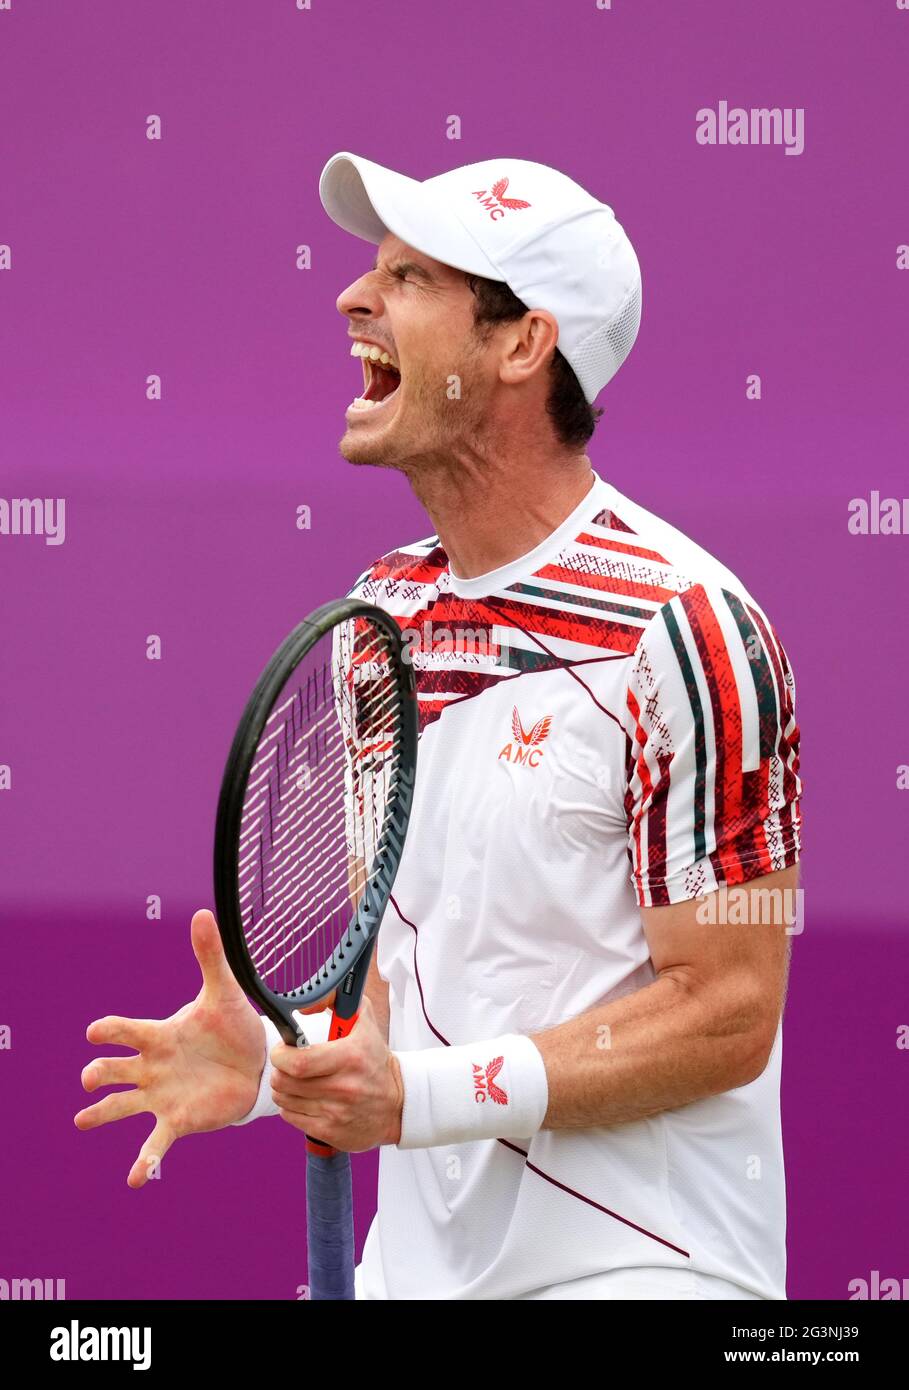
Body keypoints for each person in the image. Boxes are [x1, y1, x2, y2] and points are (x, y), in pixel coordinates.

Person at [77, 152, 802, 1301]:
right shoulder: (385, 617)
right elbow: (393, 972)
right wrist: (276, 1065)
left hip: (646, 1268)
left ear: (521, 348)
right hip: (417, 1273)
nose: (353, 299)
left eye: (410, 279)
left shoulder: (689, 627)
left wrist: (416, 1102)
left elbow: (728, 1013)